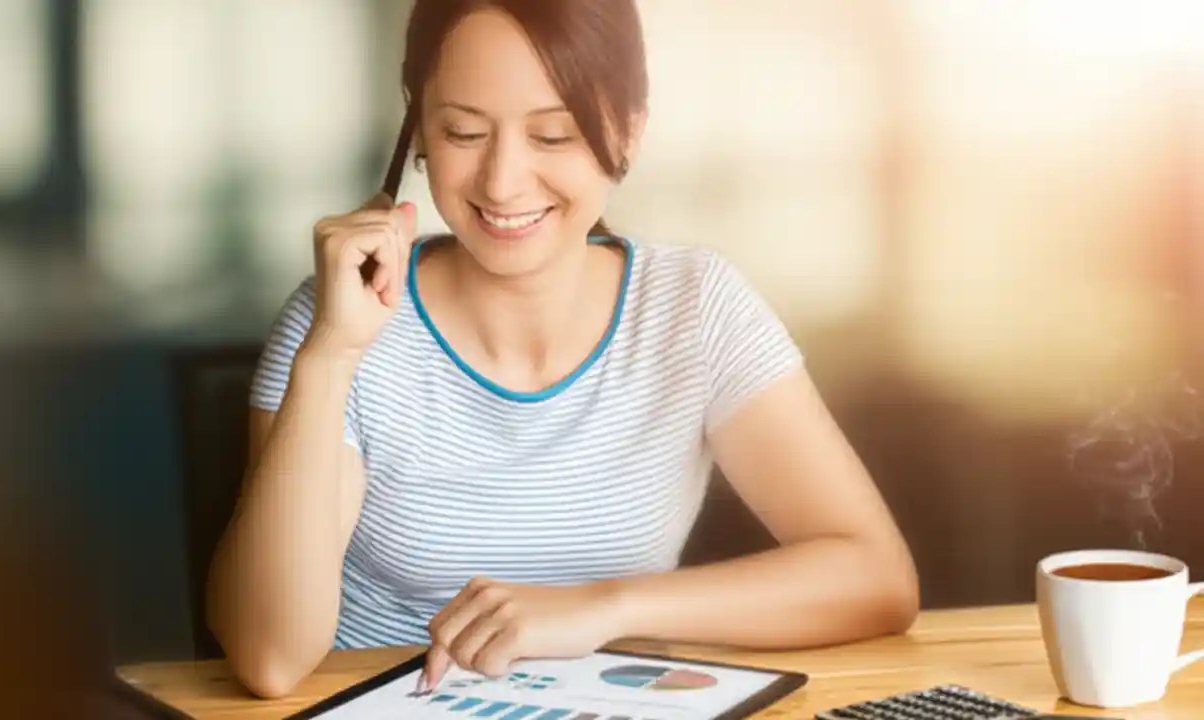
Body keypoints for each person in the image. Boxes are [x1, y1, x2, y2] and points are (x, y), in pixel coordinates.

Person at [206, 0, 919, 699]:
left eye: (552, 137)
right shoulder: (339, 316)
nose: (503, 181)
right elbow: (269, 659)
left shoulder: (693, 309)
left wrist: (607, 607)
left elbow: (876, 579)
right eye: (462, 132)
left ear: (629, 132)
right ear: (416, 131)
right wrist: (331, 354)